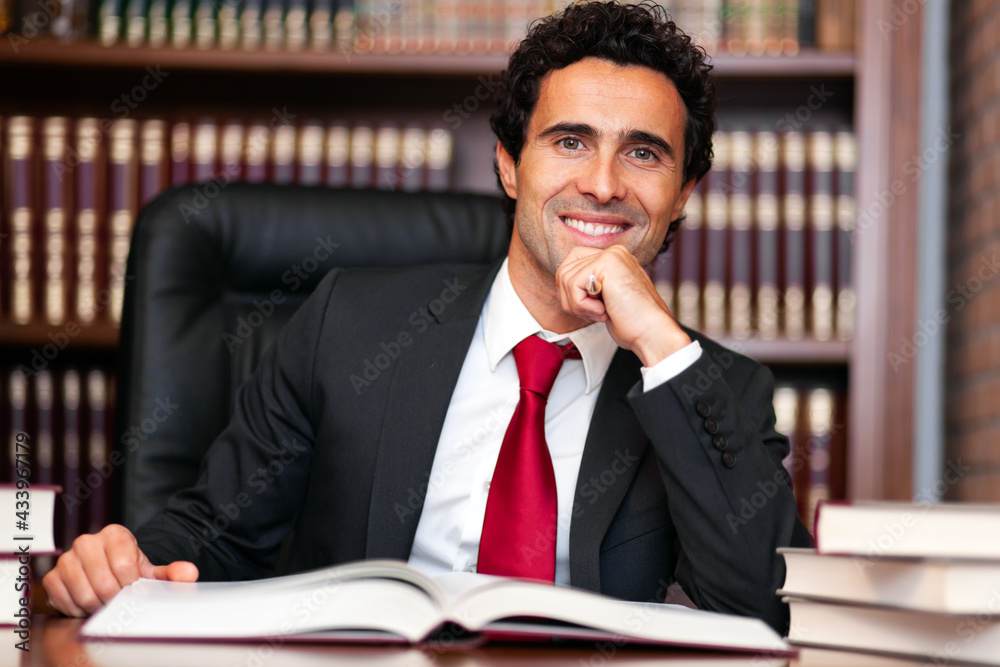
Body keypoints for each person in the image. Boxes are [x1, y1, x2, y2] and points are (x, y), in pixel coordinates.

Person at [43, 1, 811, 633]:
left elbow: (763, 604)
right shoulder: (347, 325)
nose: (602, 184)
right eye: (570, 141)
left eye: (643, 154)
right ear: (510, 163)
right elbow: (212, 537)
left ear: (685, 193)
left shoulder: (716, 389)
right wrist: (125, 566)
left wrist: (656, 342)